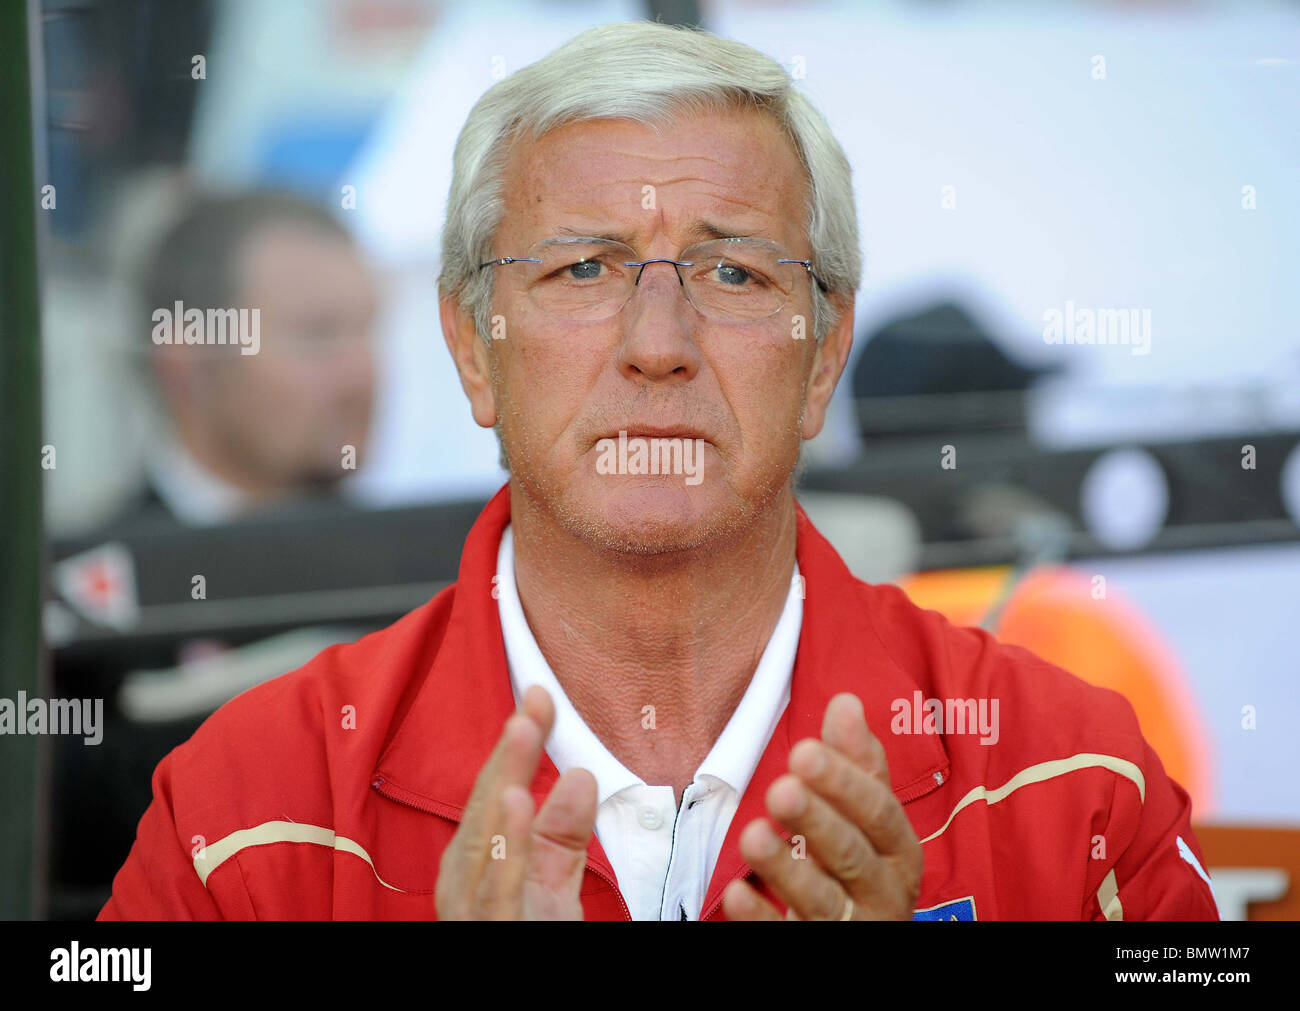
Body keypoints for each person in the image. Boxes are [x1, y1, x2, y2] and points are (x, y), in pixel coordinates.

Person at [99, 21, 1218, 921]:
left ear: (824, 354)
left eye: (733, 274)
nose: (657, 342)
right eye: (583, 267)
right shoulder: (244, 815)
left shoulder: (1071, 779)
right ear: (471, 348)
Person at [132, 190, 378, 525]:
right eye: (317, 335)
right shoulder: (99, 568)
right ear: (184, 360)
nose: (361, 373)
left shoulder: (419, 562)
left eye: (367, 330)